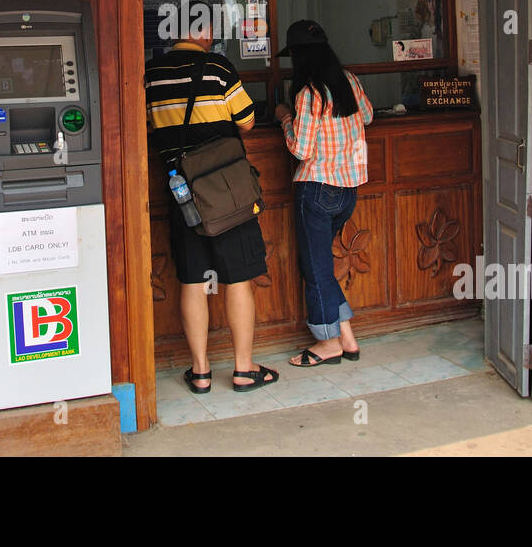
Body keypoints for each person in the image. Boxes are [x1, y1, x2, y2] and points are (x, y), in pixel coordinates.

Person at [144, 23, 279, 393]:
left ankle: (201, 372)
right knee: (237, 278)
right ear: (200, 31)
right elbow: (247, 122)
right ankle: (243, 369)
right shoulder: (217, 67)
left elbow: (148, 127)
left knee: (193, 280)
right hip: (226, 191)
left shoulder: (151, 74)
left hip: (182, 192)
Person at [273, 20, 374, 367]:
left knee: (315, 269)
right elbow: (368, 117)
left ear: (298, 57)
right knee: (321, 265)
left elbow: (300, 149)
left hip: (316, 189)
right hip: (348, 190)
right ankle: (346, 337)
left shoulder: (308, 94)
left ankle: (328, 343)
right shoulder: (350, 81)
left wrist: (285, 118)